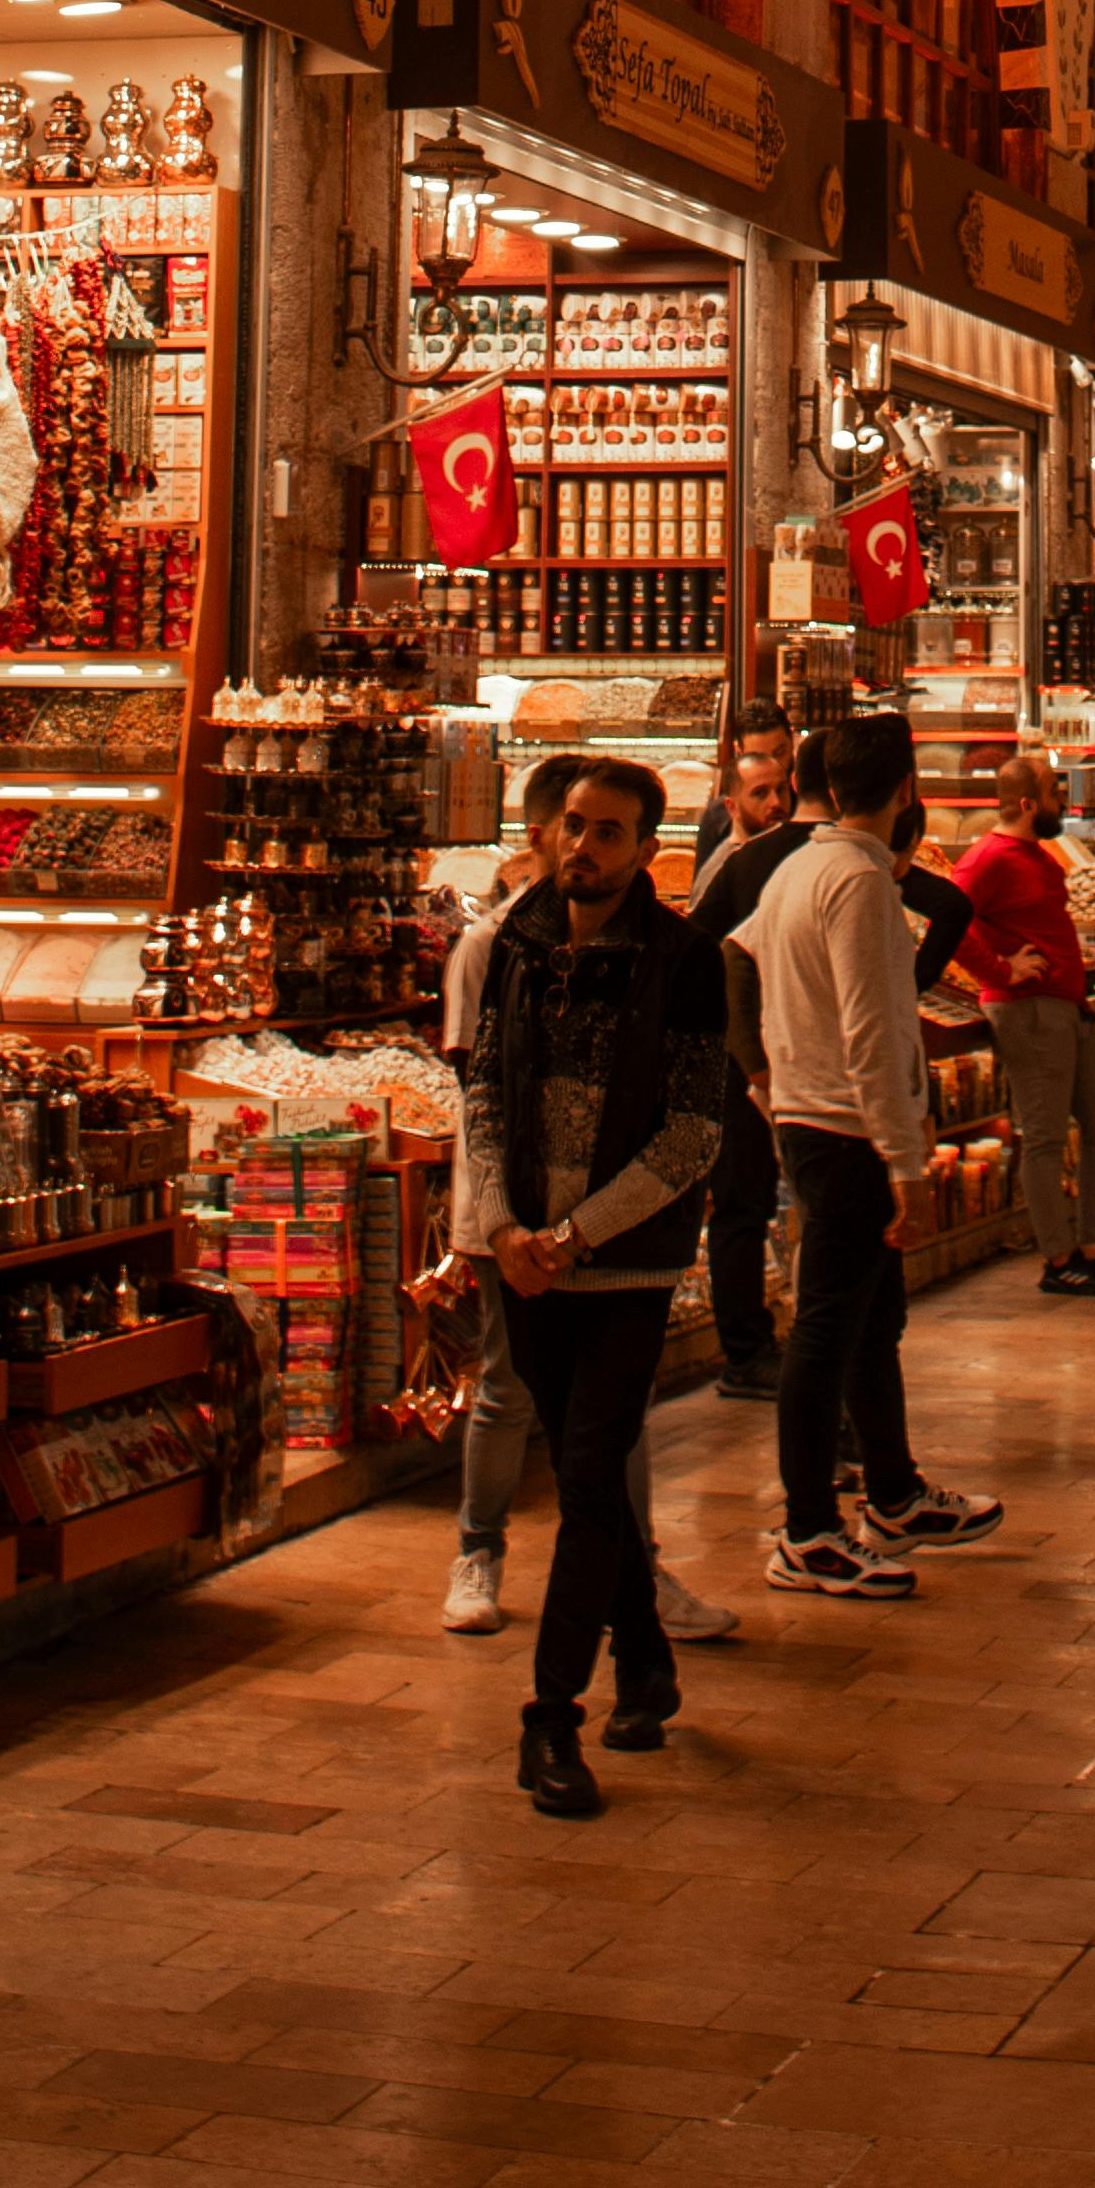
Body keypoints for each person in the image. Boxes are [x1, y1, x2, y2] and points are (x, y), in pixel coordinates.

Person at [457, 754, 730, 1816]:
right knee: (593, 1477)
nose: (583, 845)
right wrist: (501, 1225)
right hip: (527, 1260)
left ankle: (551, 1719)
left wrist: (574, 1232)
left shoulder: (687, 959)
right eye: (572, 825)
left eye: (608, 832)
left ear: (644, 849)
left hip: (623, 1265)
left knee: (581, 1479)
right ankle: (648, 1662)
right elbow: (482, 1087)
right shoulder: (515, 945)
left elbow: (695, 1127)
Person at [727, 711, 1004, 1596]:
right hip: (846, 1132)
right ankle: (808, 1530)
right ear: (907, 791)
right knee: (824, 1332)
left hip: (812, 1117)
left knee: (872, 1323)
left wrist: (767, 1075)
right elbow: (876, 1030)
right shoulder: (860, 883)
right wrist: (905, 1162)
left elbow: (740, 961)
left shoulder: (797, 867)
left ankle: (892, 1491)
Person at [951, 751, 1095, 1297]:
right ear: (1029, 804)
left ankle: (1093, 1243)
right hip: (1030, 1012)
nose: (1063, 803)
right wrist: (999, 970)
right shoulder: (987, 858)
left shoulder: (1037, 854)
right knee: (1044, 1135)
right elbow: (950, 918)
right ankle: (1059, 1259)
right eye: (1055, 795)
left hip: (1066, 1008)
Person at [683, 721, 807, 1397]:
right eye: (761, 794)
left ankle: (757, 1336)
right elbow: (708, 966)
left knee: (755, 1200)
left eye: (780, 790)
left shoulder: (775, 860)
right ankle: (744, 1352)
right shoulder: (730, 868)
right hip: (733, 1064)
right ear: (730, 804)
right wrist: (750, 1064)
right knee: (739, 1202)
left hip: (759, 1057)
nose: (775, 804)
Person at [693, 706, 795, 871]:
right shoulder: (718, 818)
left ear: (793, 743)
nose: (772, 766)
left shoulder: (808, 805)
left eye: (779, 753)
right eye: (759, 759)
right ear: (739, 754)